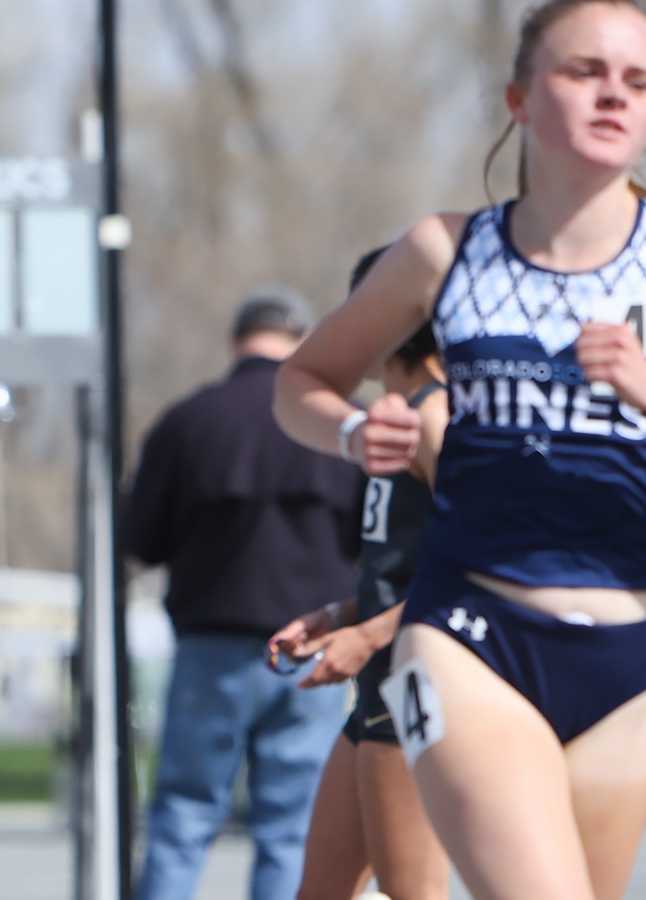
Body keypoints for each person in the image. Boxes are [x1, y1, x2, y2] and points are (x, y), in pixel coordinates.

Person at [275, 2, 646, 895]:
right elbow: (301, 383)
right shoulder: (447, 251)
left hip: (627, 652)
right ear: (520, 97)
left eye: (637, 81)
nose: (613, 96)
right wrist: (357, 430)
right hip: (467, 636)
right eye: (584, 71)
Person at [126, 289, 361, 900]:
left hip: (211, 652)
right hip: (311, 651)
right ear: (303, 341)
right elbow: (375, 537)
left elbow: (143, 540)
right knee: (290, 829)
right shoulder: (339, 423)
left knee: (183, 818)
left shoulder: (189, 421)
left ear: (237, 342)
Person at [267, 247, 450, 900]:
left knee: (413, 890)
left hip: (418, 681)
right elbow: (407, 562)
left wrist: (367, 637)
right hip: (378, 681)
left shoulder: (438, 419)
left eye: (360, 312)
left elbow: (473, 571)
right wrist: (339, 616)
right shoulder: (384, 426)